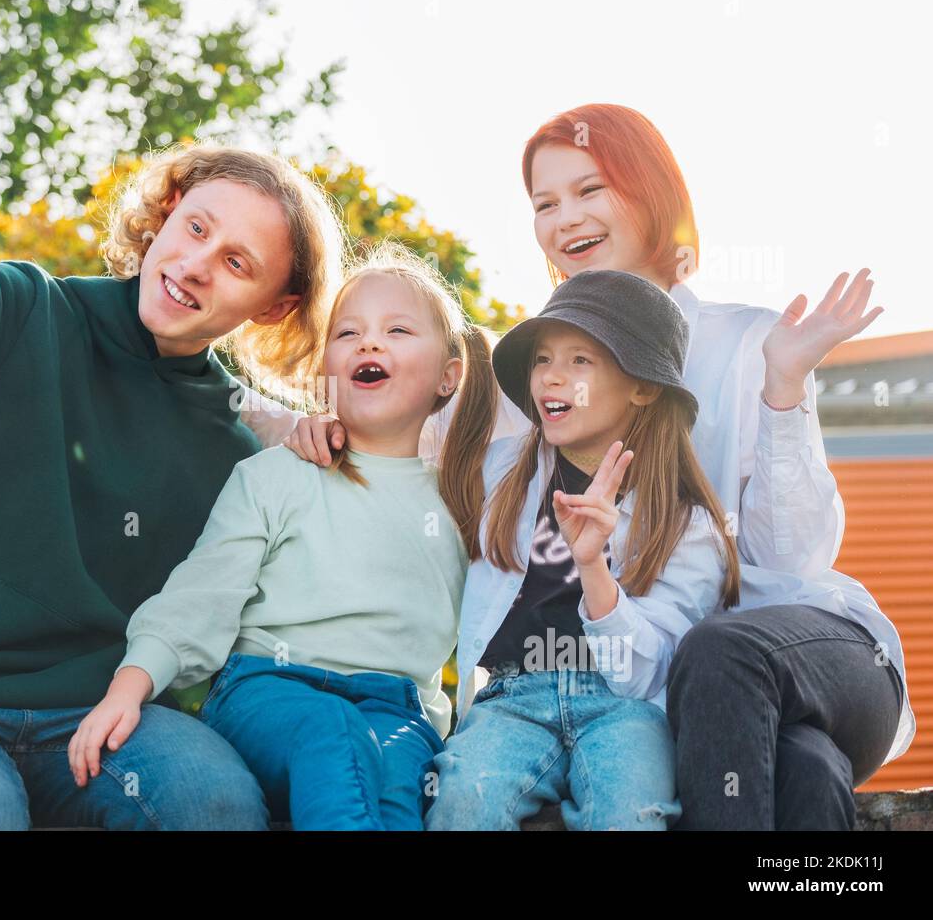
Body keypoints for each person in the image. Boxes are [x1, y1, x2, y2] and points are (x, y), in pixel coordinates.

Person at [283, 104, 912, 829]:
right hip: (664, 695)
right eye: (544, 203)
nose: (564, 218)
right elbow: (399, 437)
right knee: (802, 768)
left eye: (590, 190)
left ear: (651, 193)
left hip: (792, 655)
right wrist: (321, 416)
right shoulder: (536, 380)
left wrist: (782, 391)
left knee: (717, 654)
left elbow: (793, 562)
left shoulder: (748, 343)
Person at [0, 130, 346, 829]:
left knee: (217, 804)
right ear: (166, 213)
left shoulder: (241, 452)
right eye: (196, 228)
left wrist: (317, 445)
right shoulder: (22, 313)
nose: (198, 264)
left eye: (237, 262)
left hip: (106, 718)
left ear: (272, 306)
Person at [66, 245, 493, 828]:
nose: (369, 343)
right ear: (325, 375)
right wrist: (129, 685)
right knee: (332, 733)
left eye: (398, 330)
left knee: (398, 791)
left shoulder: (467, 495)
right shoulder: (276, 475)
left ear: (450, 375)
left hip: (399, 709)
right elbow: (202, 593)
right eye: (348, 333)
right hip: (266, 690)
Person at [427, 270, 739, 830]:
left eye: (580, 362)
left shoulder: (687, 524)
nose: (551, 378)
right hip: (512, 695)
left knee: (631, 813)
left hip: (625, 708)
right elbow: (387, 434)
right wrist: (318, 427)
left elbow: (644, 675)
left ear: (643, 387)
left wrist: (593, 565)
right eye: (543, 359)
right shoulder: (497, 473)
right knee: (463, 802)